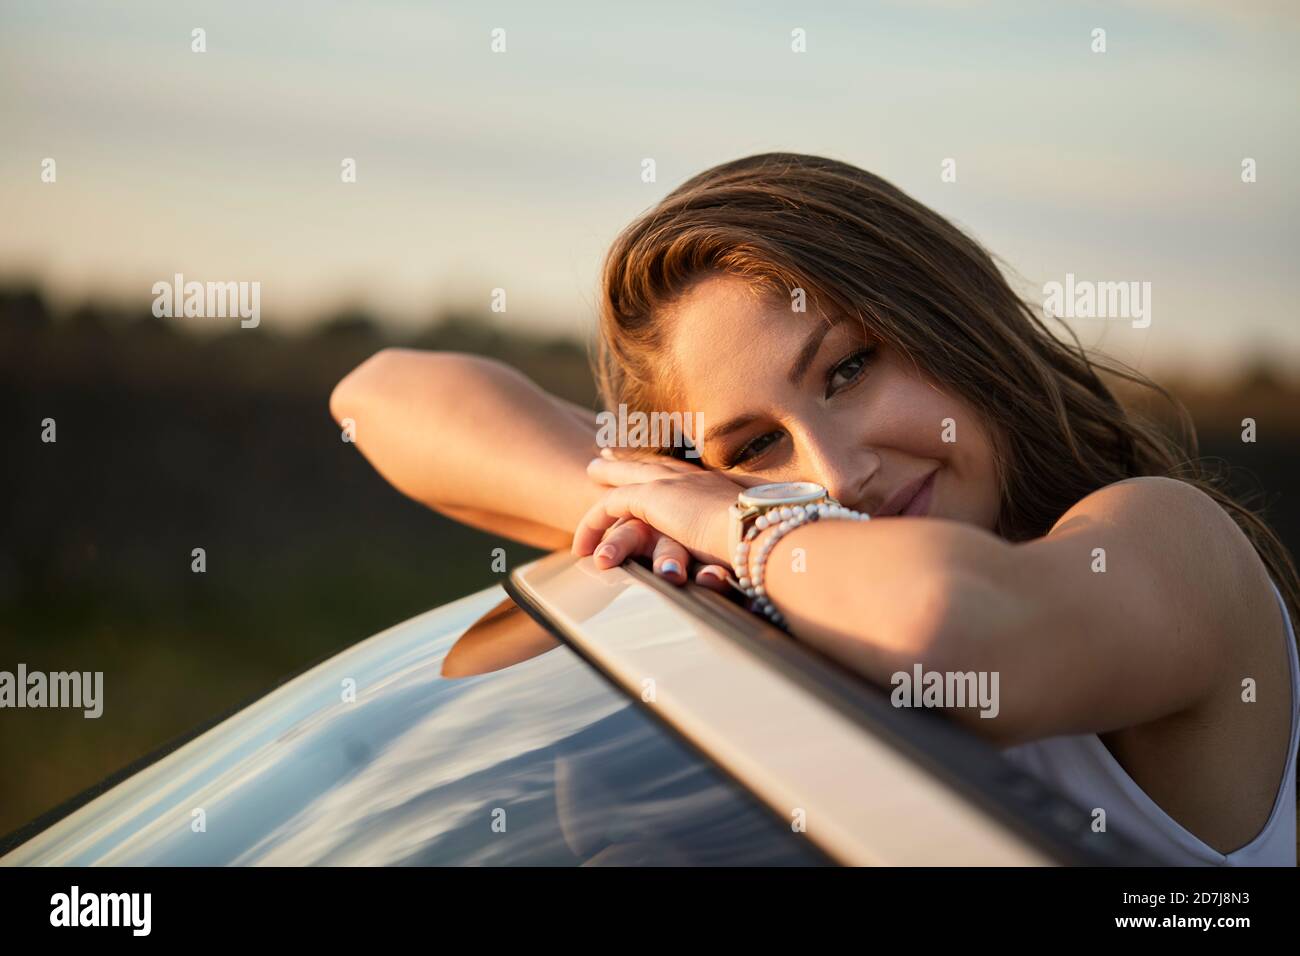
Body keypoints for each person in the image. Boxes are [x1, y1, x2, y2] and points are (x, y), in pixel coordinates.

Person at [330, 152, 1298, 865]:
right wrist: (646, 497)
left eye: (849, 368)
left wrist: (735, 520)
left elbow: (951, 630)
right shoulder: (769, 555)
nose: (834, 475)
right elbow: (378, 393)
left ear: (947, 315)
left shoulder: (1170, 542)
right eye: (753, 445)